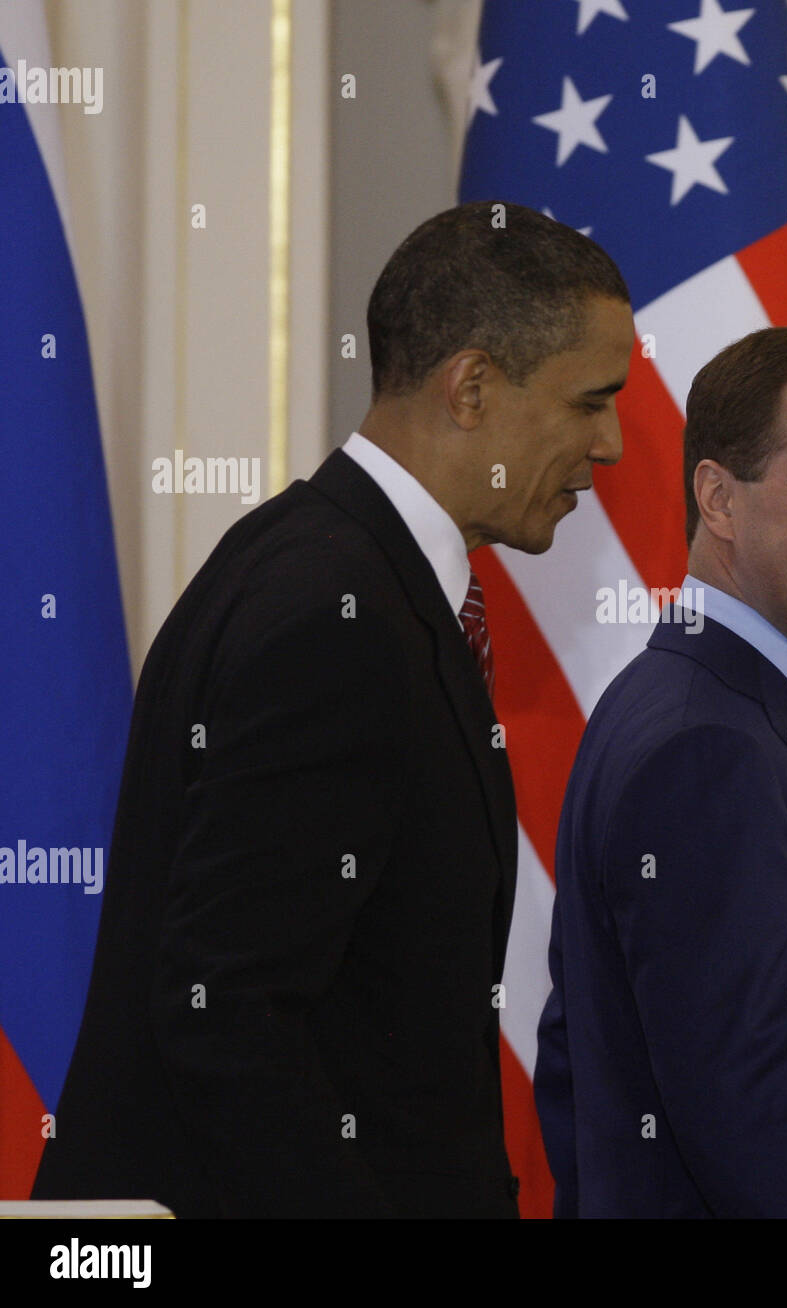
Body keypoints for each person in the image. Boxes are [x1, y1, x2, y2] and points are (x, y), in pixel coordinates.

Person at [33, 202, 634, 1218]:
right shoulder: (337, 614)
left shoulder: (317, 561)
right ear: (474, 388)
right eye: (590, 401)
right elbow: (227, 1012)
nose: (612, 444)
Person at [535, 326, 787, 1217]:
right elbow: (754, 1136)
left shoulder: (686, 703)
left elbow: (575, 1066)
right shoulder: (704, 750)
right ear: (718, 498)